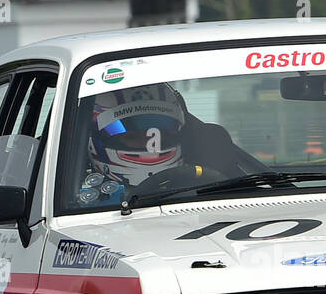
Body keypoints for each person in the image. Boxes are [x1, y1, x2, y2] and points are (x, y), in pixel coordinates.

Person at [73, 83, 260, 207]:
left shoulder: (215, 192)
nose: (149, 143)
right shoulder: (71, 198)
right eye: (133, 136)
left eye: (161, 133)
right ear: (94, 139)